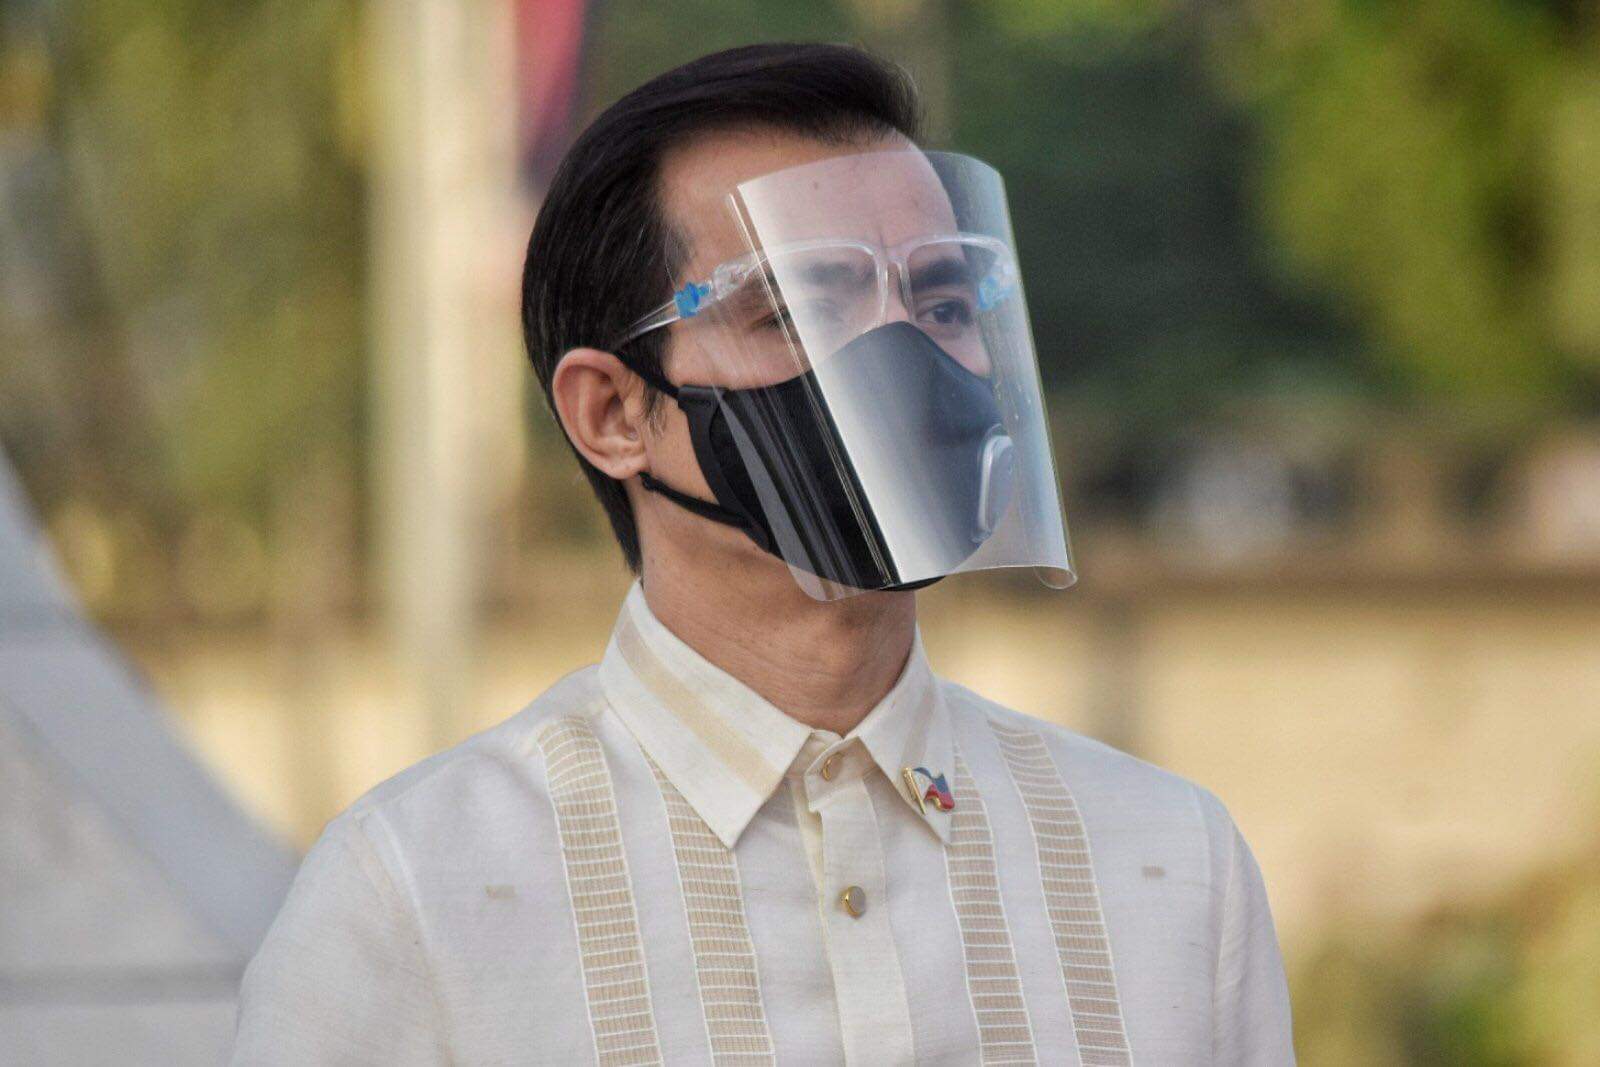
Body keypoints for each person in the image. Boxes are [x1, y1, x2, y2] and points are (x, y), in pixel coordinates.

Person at [231, 42, 1295, 1065]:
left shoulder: (1167, 866)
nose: (899, 356)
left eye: (942, 302)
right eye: (792, 308)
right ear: (612, 412)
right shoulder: (418, 894)